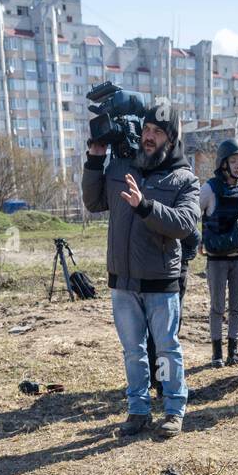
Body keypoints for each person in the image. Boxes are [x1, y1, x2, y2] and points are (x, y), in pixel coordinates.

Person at [82, 99, 200, 439]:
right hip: (122, 279)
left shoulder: (184, 179)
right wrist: (95, 158)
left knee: (166, 348)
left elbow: (183, 224)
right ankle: (137, 411)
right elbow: (93, 203)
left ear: (172, 137)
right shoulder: (121, 168)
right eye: (146, 129)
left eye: (157, 132)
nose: (148, 137)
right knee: (133, 350)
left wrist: (145, 206)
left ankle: (174, 410)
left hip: (161, 281)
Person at [199, 138, 238, 367]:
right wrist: (199, 241)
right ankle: (216, 353)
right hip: (216, 258)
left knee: (237, 307)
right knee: (217, 307)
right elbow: (194, 212)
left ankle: (234, 350)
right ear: (223, 163)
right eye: (233, 161)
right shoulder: (210, 188)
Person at [147, 223, 200, 396]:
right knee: (168, 331)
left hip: (152, 268)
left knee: (155, 329)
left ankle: (156, 379)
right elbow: (193, 236)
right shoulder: (172, 203)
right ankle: (165, 385)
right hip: (172, 266)